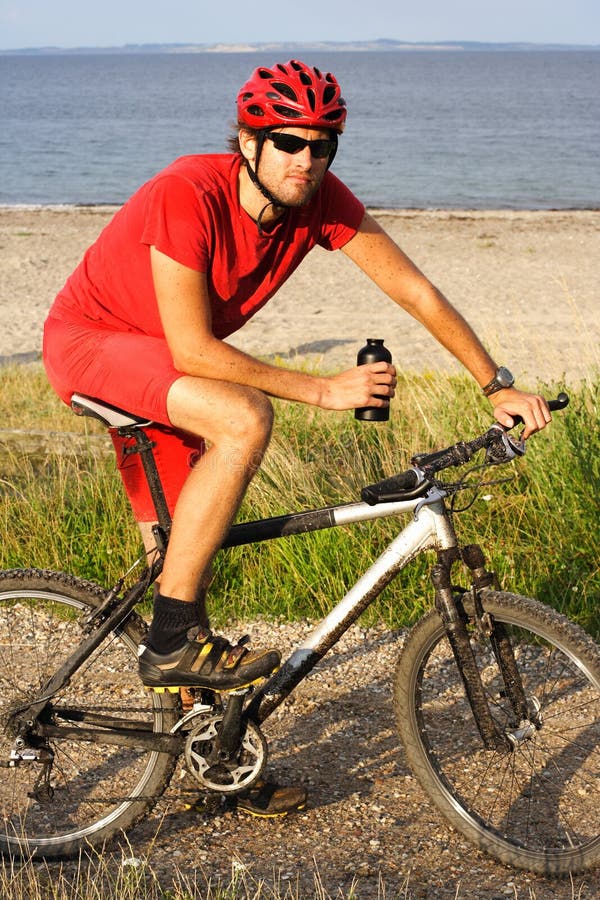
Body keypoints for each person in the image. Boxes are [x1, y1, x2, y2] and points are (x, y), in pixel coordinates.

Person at [43, 59, 550, 813]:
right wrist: (322, 390)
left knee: (184, 559)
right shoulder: (189, 192)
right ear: (247, 139)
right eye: (287, 142)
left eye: (323, 147)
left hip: (164, 372)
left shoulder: (319, 201)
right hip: (99, 344)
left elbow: (412, 287)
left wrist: (493, 380)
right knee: (246, 416)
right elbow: (192, 350)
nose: (305, 161)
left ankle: (215, 756)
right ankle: (170, 639)